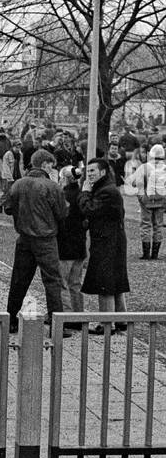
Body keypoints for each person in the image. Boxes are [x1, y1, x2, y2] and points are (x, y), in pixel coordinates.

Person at [4, 148, 67, 334]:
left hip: (24, 238)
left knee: (19, 279)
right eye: (51, 165)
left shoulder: (18, 184)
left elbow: (7, 207)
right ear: (46, 164)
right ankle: (57, 325)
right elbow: (62, 213)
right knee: (52, 281)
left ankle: (11, 318)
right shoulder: (52, 186)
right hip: (46, 239)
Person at [78, 157, 130, 333]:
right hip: (113, 240)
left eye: (92, 171)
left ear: (103, 172)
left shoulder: (106, 191)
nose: (89, 174)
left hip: (107, 242)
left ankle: (106, 324)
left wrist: (84, 193)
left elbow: (90, 210)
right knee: (116, 281)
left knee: (105, 282)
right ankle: (121, 320)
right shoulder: (108, 188)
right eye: (88, 170)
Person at [57, 165, 87, 332]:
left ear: (65, 178)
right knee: (76, 283)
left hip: (64, 246)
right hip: (80, 245)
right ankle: (78, 314)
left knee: (63, 283)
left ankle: (67, 316)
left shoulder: (64, 196)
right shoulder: (82, 195)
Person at [130, 141, 166, 259]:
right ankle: (155, 254)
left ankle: (146, 253)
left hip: (146, 200)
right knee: (158, 226)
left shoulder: (144, 167)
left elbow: (134, 183)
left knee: (146, 225)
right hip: (161, 200)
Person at [0, 138, 16, 212]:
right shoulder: (8, 154)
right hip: (8, 176)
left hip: (16, 175)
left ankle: (10, 206)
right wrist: (9, 177)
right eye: (16, 147)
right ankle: (1, 204)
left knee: (14, 192)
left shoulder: (19, 153)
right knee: (8, 192)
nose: (18, 149)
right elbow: (6, 166)